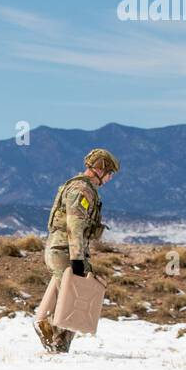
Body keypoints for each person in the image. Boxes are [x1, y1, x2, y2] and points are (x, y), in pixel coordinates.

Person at [34, 147, 119, 353]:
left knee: (61, 292)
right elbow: (75, 227)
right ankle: (58, 347)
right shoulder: (82, 190)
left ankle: (45, 325)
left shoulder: (82, 188)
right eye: (109, 174)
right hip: (65, 250)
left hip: (62, 249)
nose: (109, 179)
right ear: (100, 169)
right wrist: (78, 259)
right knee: (75, 297)